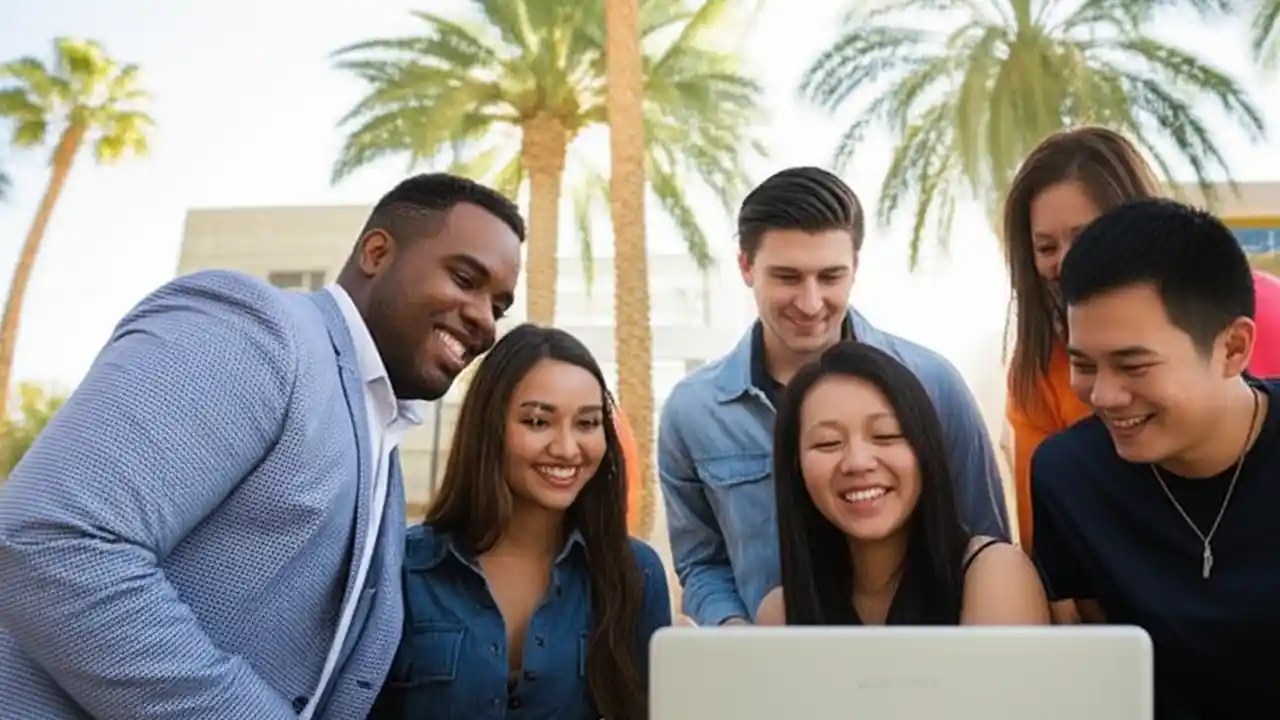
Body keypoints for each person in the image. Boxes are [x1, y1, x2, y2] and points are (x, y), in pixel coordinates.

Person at [0, 173, 524, 719]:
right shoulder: (262, 328)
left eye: (499, 306)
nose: (484, 321)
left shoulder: (382, 447)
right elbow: (53, 538)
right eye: (465, 279)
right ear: (376, 252)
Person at [659, 166, 1008, 628]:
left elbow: (983, 536)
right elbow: (701, 562)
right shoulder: (693, 412)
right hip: (776, 665)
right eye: (787, 277)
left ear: (856, 268)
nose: (810, 302)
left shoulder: (932, 383)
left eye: (830, 277)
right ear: (746, 267)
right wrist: (739, 634)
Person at [1032, 198, 1280, 718]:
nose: (1102, 395)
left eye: (1133, 366)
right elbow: (1098, 655)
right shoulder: (1069, 476)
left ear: (1233, 348)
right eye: (1083, 364)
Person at [371, 324, 671, 720]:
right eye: (537, 422)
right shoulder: (404, 567)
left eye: (587, 423)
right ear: (490, 427)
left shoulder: (636, 573)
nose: (567, 449)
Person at [1002, 125, 1280, 549]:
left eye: (1086, 237)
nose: (1068, 262)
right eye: (1045, 247)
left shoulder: (1258, 308)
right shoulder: (1041, 376)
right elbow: (1051, 543)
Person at [756, 342, 1048, 626]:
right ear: (796, 466)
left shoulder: (992, 575)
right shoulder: (780, 614)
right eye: (828, 442)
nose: (858, 462)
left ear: (925, 448)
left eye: (885, 435)